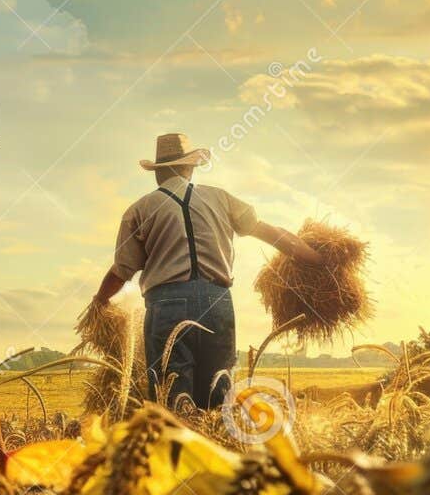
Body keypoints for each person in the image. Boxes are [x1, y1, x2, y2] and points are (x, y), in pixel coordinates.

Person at [90, 133, 322, 410]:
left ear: (158, 173)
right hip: (218, 303)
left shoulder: (139, 210)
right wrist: (319, 260)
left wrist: (99, 302)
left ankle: (179, 446)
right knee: (219, 396)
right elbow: (270, 233)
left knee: (172, 399)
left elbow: (122, 271)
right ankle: (219, 447)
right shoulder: (221, 199)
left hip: (167, 307)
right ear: (190, 168)